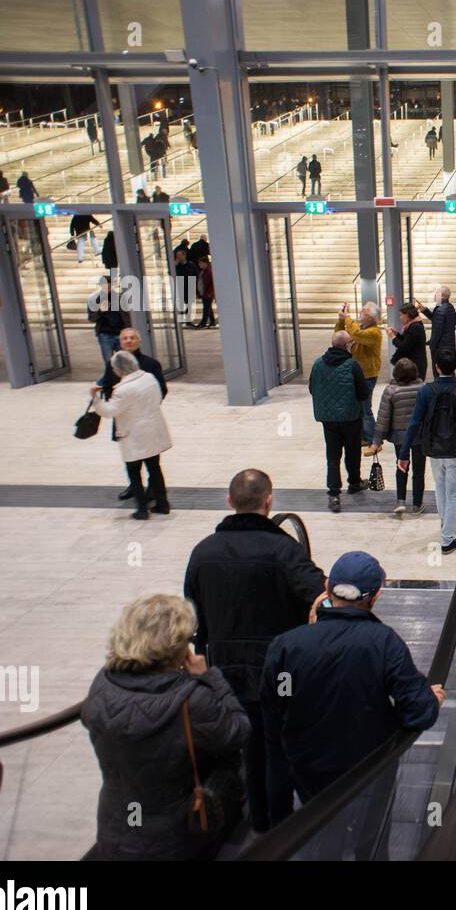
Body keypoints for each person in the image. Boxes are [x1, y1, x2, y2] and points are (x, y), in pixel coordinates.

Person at [261, 552, 444, 859]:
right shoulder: (384, 642)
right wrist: (431, 699)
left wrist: (311, 633)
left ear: (328, 588)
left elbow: (274, 712)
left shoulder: (287, 645)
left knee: (323, 827)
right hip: (371, 765)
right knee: (371, 834)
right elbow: (419, 712)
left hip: (309, 765)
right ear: (376, 596)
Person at [184, 469, 325, 831]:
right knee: (276, 747)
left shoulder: (203, 552)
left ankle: (253, 814)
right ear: (269, 501)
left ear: (230, 503)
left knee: (245, 743)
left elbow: (193, 614)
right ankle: (277, 822)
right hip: (277, 670)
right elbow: (320, 597)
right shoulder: (283, 550)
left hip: (226, 668)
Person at [82, 594, 249, 860]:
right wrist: (210, 677)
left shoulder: (102, 685)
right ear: (178, 648)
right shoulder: (191, 699)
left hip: (116, 827)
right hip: (178, 836)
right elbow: (237, 731)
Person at [399, 348, 456, 555]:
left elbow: (415, 422)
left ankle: (446, 526)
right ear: (455, 367)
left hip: (433, 448)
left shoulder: (426, 391)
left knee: (440, 489)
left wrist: (403, 453)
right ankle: (447, 538)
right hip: (455, 450)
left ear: (436, 367)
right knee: (452, 494)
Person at [91, 350, 172, 519]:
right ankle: (162, 504)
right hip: (153, 431)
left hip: (134, 436)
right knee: (155, 469)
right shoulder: (149, 378)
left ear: (118, 369)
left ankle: (141, 509)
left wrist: (95, 398)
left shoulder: (123, 390)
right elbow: (158, 397)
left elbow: (109, 411)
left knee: (134, 472)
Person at [310, 331, 371, 512]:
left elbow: (312, 388)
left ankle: (334, 494)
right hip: (350, 417)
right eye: (351, 343)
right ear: (346, 346)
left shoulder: (317, 364)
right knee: (352, 452)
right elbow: (363, 393)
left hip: (328, 419)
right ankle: (354, 482)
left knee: (332, 455)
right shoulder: (352, 365)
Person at [369, 358, 427, 515]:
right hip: (419, 435)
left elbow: (383, 417)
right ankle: (417, 503)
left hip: (400, 435)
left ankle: (400, 500)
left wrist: (376, 441)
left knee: (401, 466)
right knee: (419, 470)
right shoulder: (423, 388)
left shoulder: (391, 390)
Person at [337, 301, 383, 443]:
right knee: (359, 407)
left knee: (365, 408)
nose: (360, 313)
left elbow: (356, 334)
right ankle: (363, 436)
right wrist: (340, 321)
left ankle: (373, 438)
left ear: (371, 317)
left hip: (368, 374)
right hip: (358, 372)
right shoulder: (361, 327)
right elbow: (340, 335)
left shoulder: (374, 332)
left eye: (364, 311)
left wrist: (347, 318)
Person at [88, 276, 125, 376]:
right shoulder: (94, 299)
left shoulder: (119, 297)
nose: (107, 287)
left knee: (123, 361)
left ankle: (122, 380)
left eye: (109, 285)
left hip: (120, 333)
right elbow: (91, 318)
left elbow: (126, 316)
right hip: (105, 335)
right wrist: (100, 311)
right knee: (108, 362)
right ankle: (110, 382)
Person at [388, 299, 428, 380]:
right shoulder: (413, 325)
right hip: (414, 364)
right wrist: (397, 335)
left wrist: (393, 337)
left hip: (416, 366)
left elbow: (404, 346)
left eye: (401, 315)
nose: (400, 318)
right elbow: (408, 340)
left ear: (408, 315)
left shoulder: (415, 326)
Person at [419, 288, 456, 363]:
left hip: (440, 346)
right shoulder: (449, 307)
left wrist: (432, 345)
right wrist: (424, 310)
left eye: (436, 293)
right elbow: (437, 320)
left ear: (442, 296)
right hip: (449, 344)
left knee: (438, 370)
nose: (435, 295)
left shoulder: (441, 310)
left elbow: (437, 331)